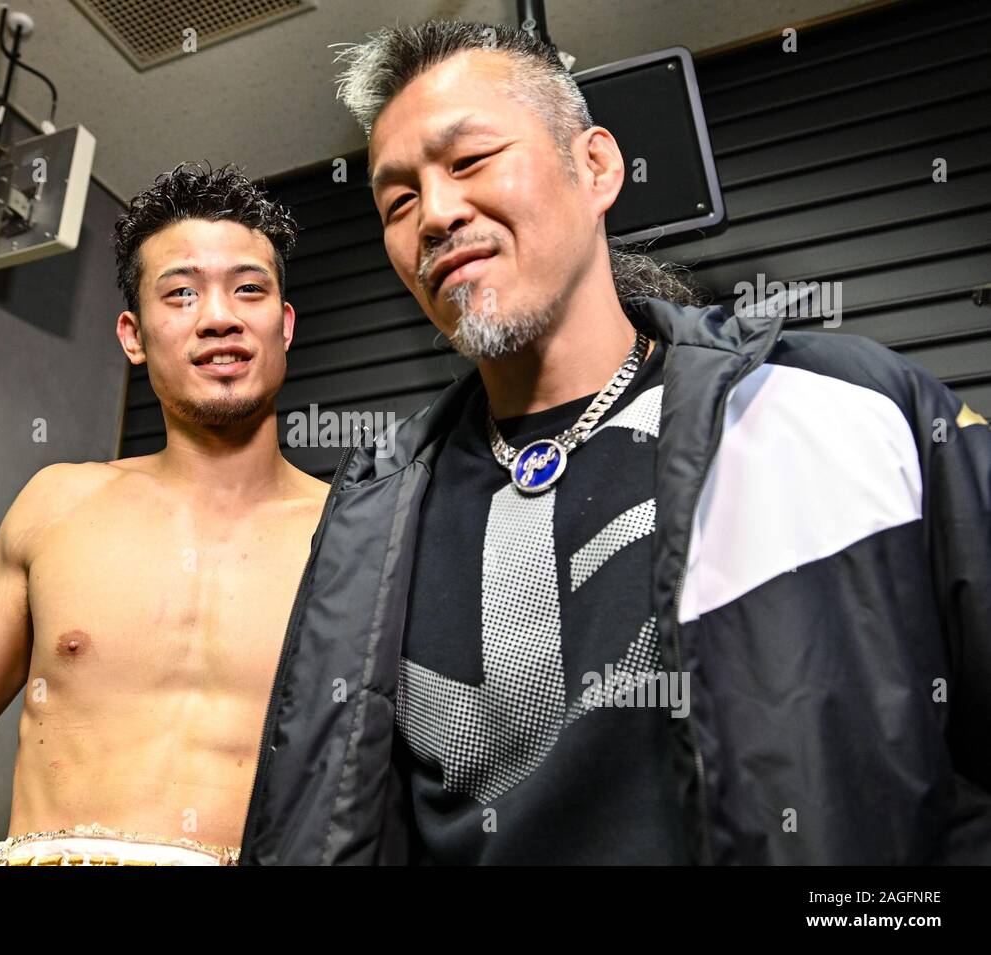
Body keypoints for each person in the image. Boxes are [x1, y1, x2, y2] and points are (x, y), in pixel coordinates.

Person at [239, 20, 991, 864]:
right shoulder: (368, 524)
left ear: (596, 166)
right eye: (398, 201)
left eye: (471, 160)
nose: (437, 214)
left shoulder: (838, 407)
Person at [0, 162, 328, 866]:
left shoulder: (352, 535)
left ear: (284, 324)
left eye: (248, 289)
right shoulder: (60, 506)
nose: (219, 316)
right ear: (133, 336)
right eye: (180, 293)